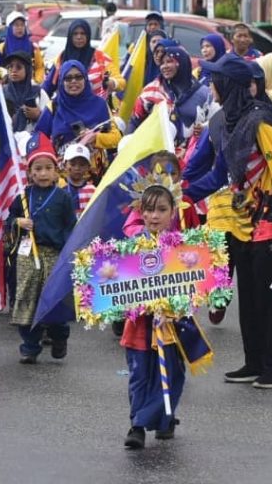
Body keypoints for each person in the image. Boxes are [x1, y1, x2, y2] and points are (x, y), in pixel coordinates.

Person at [183, 53, 272, 388]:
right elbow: (218, 175)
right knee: (248, 298)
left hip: (269, 222)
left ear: (228, 85)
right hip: (239, 223)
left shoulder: (262, 121)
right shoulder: (222, 121)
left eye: (215, 81)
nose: (211, 86)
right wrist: (181, 196)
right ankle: (253, 363)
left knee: (268, 299)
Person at [120, 172, 208, 449]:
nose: (155, 216)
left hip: (171, 326)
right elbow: (118, 286)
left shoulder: (184, 248)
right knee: (139, 376)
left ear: (173, 212)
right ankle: (137, 425)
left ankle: (163, 417)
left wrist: (175, 305)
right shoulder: (131, 247)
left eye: (161, 209)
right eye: (149, 210)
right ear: (140, 213)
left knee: (171, 374)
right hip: (138, 326)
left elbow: (195, 287)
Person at [8, 134, 77, 363]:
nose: (43, 173)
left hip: (54, 255)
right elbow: (8, 219)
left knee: (53, 299)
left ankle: (59, 336)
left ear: (56, 170)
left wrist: (69, 255)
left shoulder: (63, 197)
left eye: (48, 168)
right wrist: (18, 222)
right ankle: (29, 345)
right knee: (27, 299)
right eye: (38, 168)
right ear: (30, 172)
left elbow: (70, 227)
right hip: (27, 256)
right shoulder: (23, 195)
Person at [33, 60, 121, 159]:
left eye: (78, 77)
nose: (74, 81)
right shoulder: (53, 106)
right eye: (68, 78)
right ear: (62, 81)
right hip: (62, 172)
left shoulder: (100, 105)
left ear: (85, 79)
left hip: (97, 172)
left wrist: (96, 138)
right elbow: (38, 139)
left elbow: (116, 137)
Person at [42, 19, 120, 100]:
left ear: (88, 35)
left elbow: (119, 81)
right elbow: (48, 85)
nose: (79, 37)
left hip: (93, 108)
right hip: (65, 108)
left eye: (83, 33)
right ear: (70, 36)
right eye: (75, 34)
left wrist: (112, 83)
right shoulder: (62, 57)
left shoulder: (101, 58)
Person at [159, 46, 211, 148]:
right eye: (162, 63)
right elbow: (137, 121)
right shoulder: (156, 91)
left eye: (169, 61)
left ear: (182, 63)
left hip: (192, 154)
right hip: (161, 155)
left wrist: (204, 128)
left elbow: (215, 122)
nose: (164, 66)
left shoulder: (203, 93)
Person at [1, 50, 50, 134]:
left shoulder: (39, 93)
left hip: (33, 140)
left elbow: (50, 120)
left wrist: (39, 115)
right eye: (10, 67)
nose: (13, 70)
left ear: (27, 70)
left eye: (18, 67)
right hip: (8, 140)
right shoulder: (2, 92)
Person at [0, 11, 46, 84]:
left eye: (22, 25)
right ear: (10, 27)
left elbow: (39, 67)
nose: (20, 28)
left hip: (29, 86)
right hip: (8, 87)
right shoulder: (2, 48)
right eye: (16, 25)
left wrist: (36, 81)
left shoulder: (33, 47)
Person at [60, 143, 95, 216]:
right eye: (72, 164)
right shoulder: (60, 190)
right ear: (64, 165)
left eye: (82, 165)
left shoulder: (93, 190)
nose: (77, 168)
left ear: (88, 167)